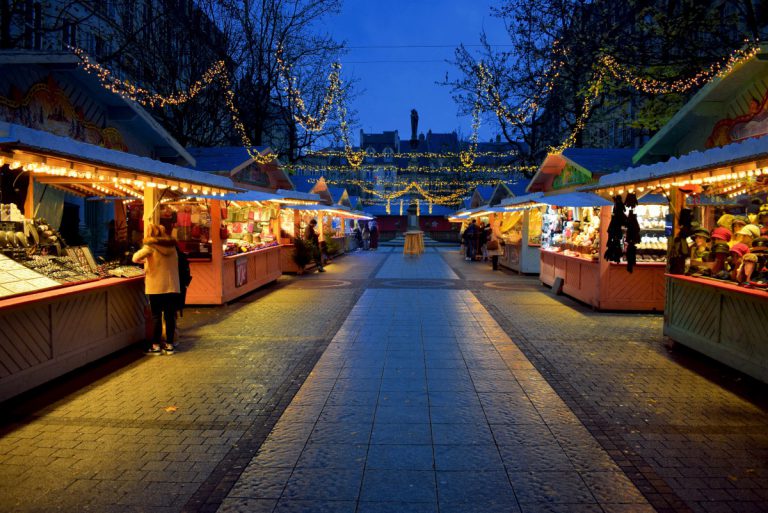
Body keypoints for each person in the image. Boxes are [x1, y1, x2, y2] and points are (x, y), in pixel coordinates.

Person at [132, 224, 180, 355]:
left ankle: (156, 346)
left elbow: (135, 258)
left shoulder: (150, 247)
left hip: (156, 286)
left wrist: (145, 261)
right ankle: (170, 345)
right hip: (172, 286)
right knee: (170, 316)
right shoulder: (172, 246)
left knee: (156, 316)